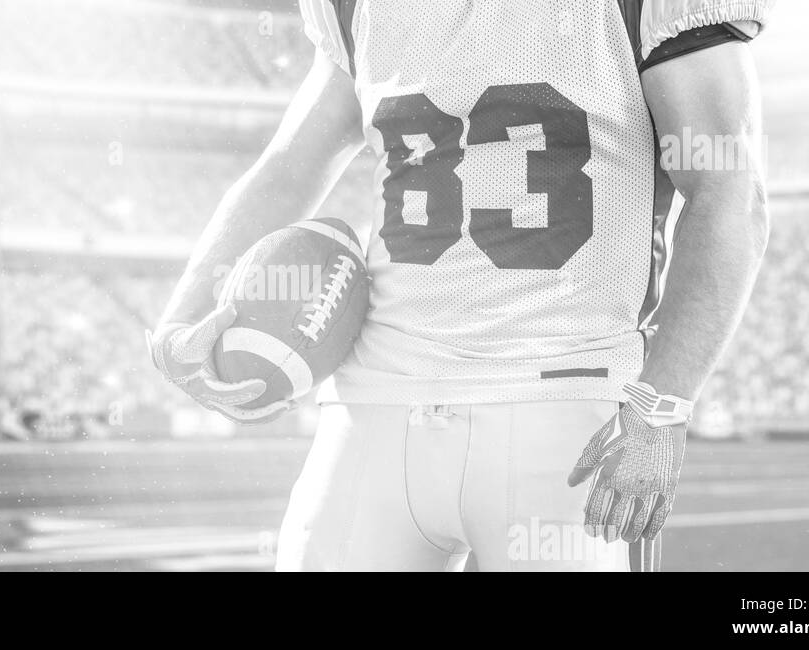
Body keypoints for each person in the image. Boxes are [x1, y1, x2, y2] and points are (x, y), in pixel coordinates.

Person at [150, 0, 773, 571]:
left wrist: (663, 405)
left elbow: (728, 193)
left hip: (565, 409)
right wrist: (181, 320)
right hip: (375, 403)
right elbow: (290, 166)